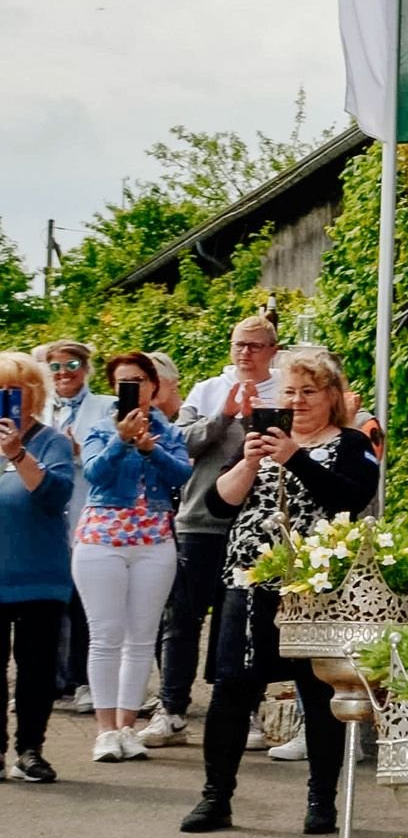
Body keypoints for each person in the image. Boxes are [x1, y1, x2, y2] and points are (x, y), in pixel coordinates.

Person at [181, 346, 381, 835]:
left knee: (317, 693)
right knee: (231, 688)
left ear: (332, 397)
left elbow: (350, 497)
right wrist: (249, 464)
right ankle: (215, 798)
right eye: (289, 392)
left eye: (309, 392)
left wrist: (296, 459)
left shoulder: (351, 443)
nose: (297, 401)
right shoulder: (257, 440)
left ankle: (321, 802)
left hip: (315, 588)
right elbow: (217, 505)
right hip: (249, 582)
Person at [161, 319, 279, 751]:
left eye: (254, 346)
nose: (244, 353)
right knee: (183, 617)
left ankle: (246, 710)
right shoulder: (207, 389)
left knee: (249, 619)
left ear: (273, 349)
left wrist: (257, 423)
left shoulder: (287, 389)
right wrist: (224, 415)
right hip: (201, 518)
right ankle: (171, 709)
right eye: (238, 345)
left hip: (258, 522)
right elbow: (180, 444)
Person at [72, 352, 190, 763]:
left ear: (153, 385)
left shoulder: (168, 431)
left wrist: (150, 449)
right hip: (102, 539)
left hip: (154, 540)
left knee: (142, 639)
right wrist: (123, 443)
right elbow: (94, 475)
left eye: (140, 379)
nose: (134, 388)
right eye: (124, 381)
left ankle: (127, 727)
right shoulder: (100, 429)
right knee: (105, 636)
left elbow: (181, 475)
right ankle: (105, 730)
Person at [0, 353, 77, 784]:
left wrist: (17, 455)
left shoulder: (52, 442)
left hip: (40, 577)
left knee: (37, 669)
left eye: (12, 391)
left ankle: (30, 749)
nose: (5, 401)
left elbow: (54, 496)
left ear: (32, 396)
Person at [39, 341, 109, 706]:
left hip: (87, 512)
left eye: (72, 365)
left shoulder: (106, 407)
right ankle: (49, 681)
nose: (64, 373)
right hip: (44, 515)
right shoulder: (36, 408)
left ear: (85, 369)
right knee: (46, 600)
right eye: (55, 367)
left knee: (84, 602)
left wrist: (78, 452)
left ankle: (82, 681)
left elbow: (113, 457)